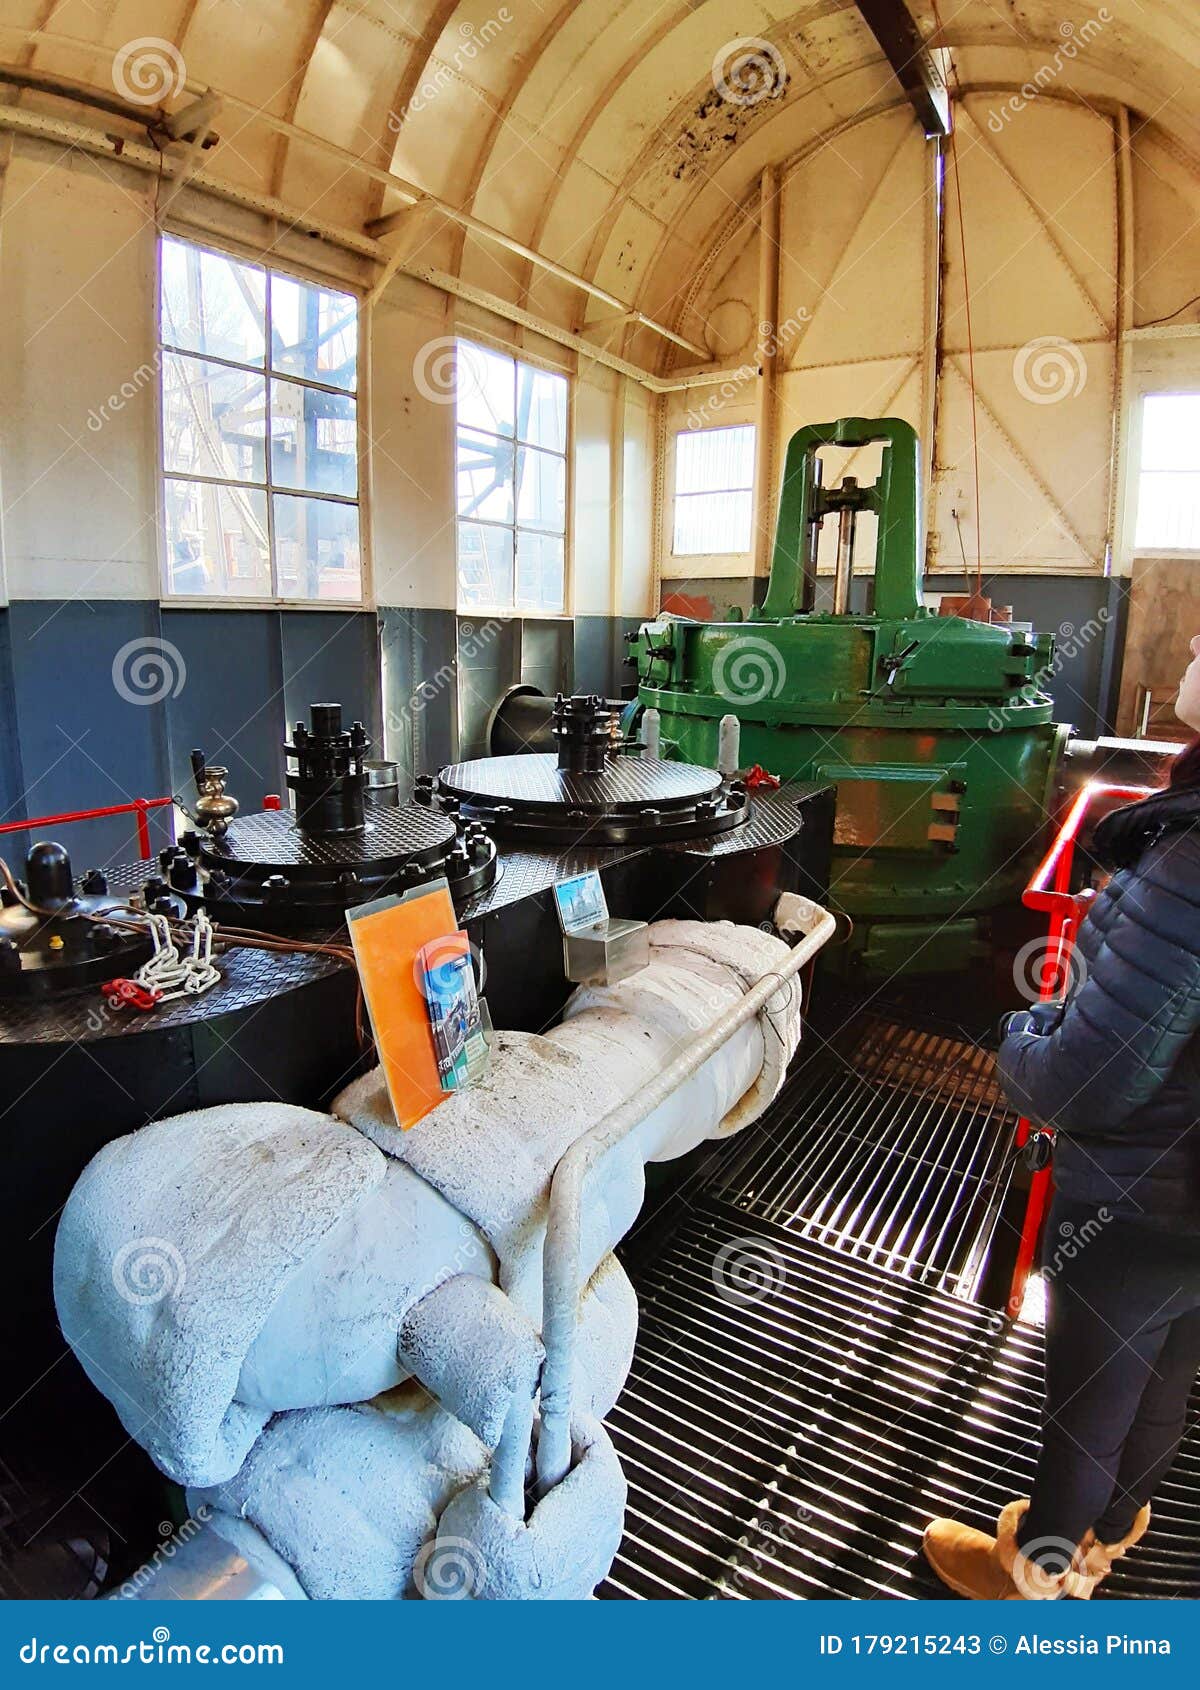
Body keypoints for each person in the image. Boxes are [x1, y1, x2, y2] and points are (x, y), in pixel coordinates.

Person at [923, 634, 1200, 1600]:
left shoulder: (1188, 866)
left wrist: (1021, 1035)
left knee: (1090, 1400)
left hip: (1142, 1192)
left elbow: (1087, 1081)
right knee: (1169, 1371)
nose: (1192, 643)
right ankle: (1110, 1536)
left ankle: (1034, 1573)